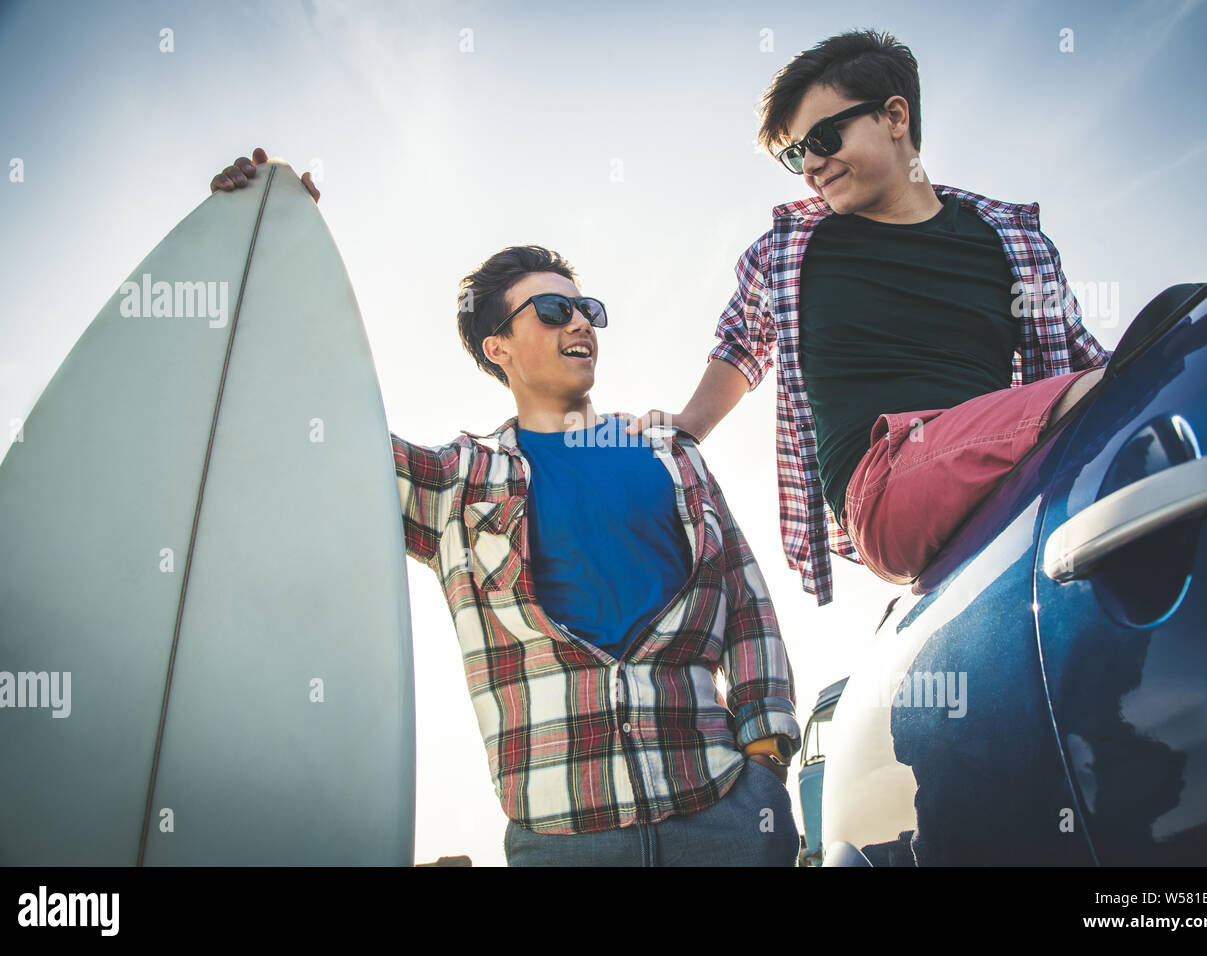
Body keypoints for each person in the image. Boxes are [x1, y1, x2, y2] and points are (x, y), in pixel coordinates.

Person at [208, 150, 804, 866]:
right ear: (499, 348)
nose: (580, 322)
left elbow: (745, 603)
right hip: (560, 842)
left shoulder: (669, 454)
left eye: (588, 310)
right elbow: (319, 436)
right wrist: (270, 247)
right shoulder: (458, 480)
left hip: (726, 820)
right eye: (554, 311)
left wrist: (766, 766)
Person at [626, 29, 1112, 600]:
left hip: (1015, 468)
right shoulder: (790, 252)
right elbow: (741, 344)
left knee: (1151, 353)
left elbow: (1085, 358)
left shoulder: (1014, 242)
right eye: (794, 154)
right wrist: (691, 424)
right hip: (885, 489)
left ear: (895, 117)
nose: (810, 164)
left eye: (825, 137)